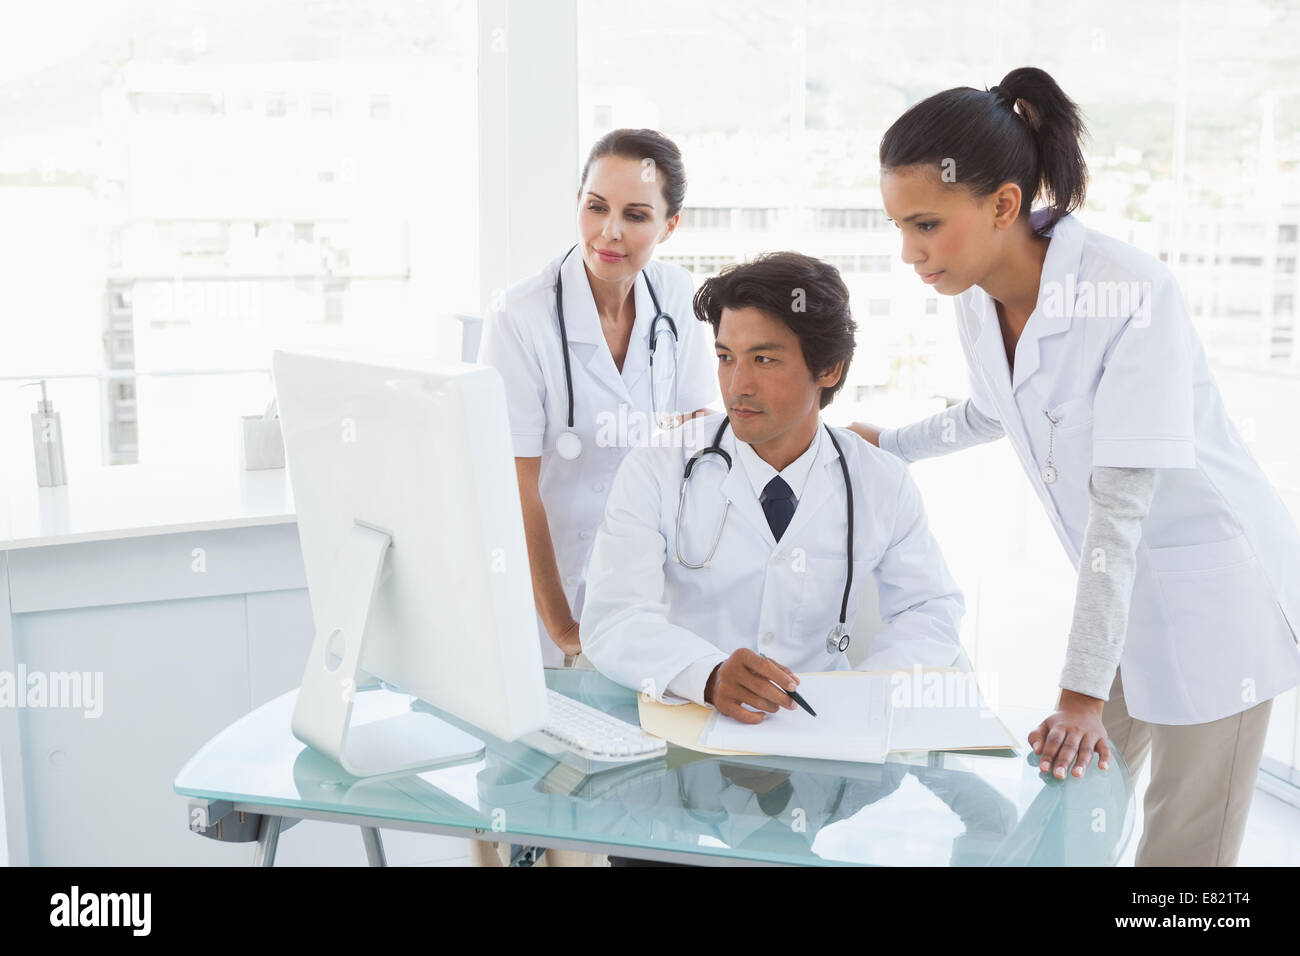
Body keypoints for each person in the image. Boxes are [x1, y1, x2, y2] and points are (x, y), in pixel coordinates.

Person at [853, 66, 1300, 866]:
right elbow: (998, 408)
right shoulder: (974, 296)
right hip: (1121, 596)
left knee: (1182, 851)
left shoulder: (1129, 294)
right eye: (898, 227)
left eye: (925, 224)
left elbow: (1119, 509)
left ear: (1002, 204)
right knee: (1067, 819)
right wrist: (894, 443)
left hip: (1213, 599)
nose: (909, 253)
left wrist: (1080, 695)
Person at [582, 251, 962, 725]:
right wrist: (706, 674)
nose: (737, 385)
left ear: (829, 370)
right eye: (725, 358)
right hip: (689, 724)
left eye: (764, 359)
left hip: (826, 731)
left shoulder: (881, 481)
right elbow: (614, 618)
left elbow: (929, 609)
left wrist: (865, 694)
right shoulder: (656, 469)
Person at [478, 128, 719, 671]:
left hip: (646, 593)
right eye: (595, 208)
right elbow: (515, 487)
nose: (609, 233)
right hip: (544, 593)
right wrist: (564, 629)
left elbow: (697, 438)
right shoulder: (520, 316)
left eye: (636, 215)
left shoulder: (675, 296)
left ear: (669, 225)